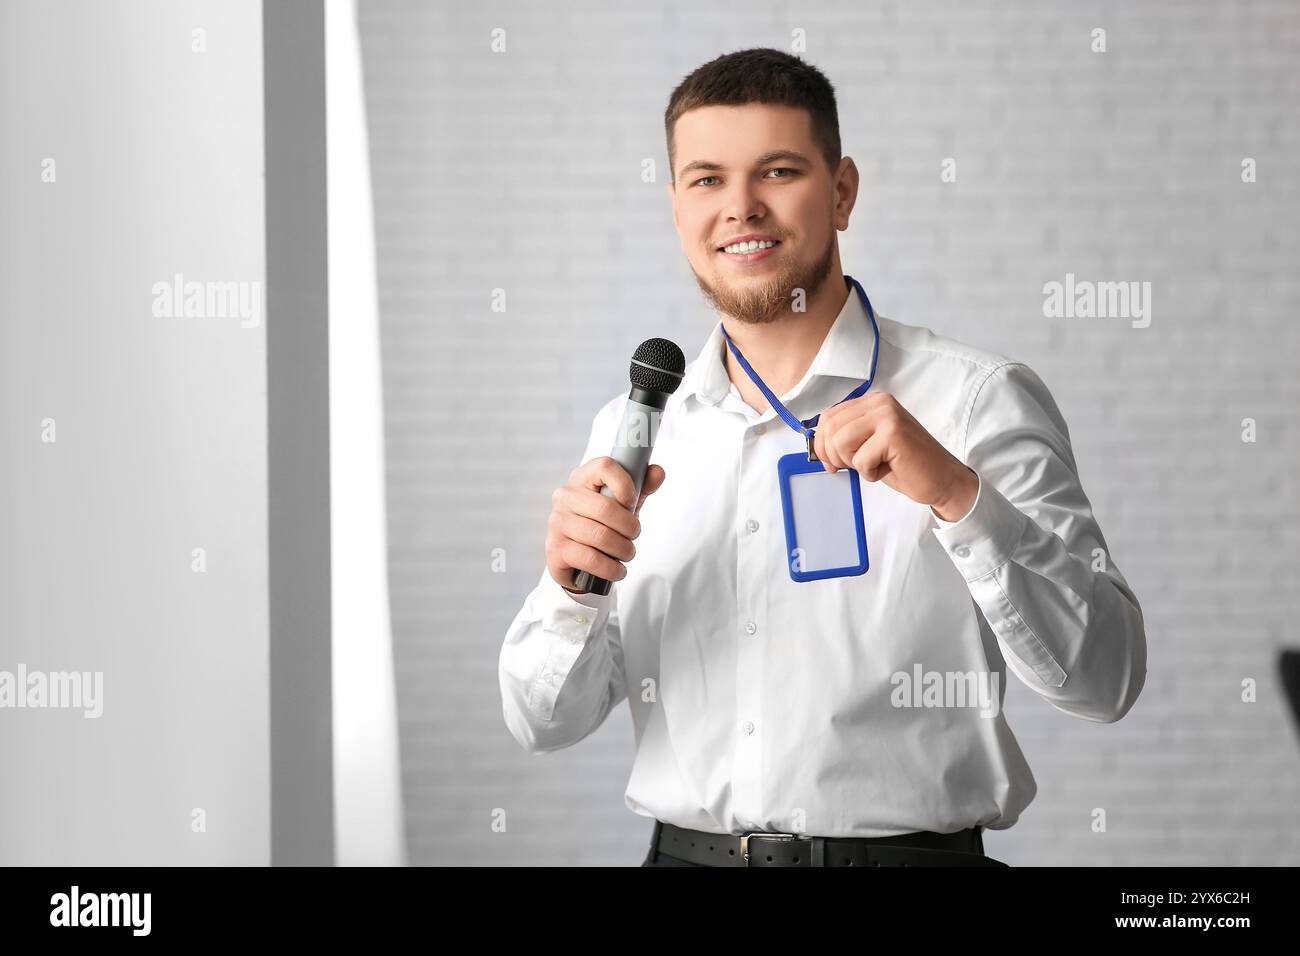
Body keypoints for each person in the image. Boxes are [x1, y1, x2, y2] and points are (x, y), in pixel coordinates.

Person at [498, 48, 1146, 867]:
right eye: (706, 180)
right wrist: (569, 594)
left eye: (776, 171)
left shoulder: (977, 400)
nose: (741, 208)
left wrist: (956, 493)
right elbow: (542, 722)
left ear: (842, 192)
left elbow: (1108, 678)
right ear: (675, 207)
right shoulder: (635, 435)